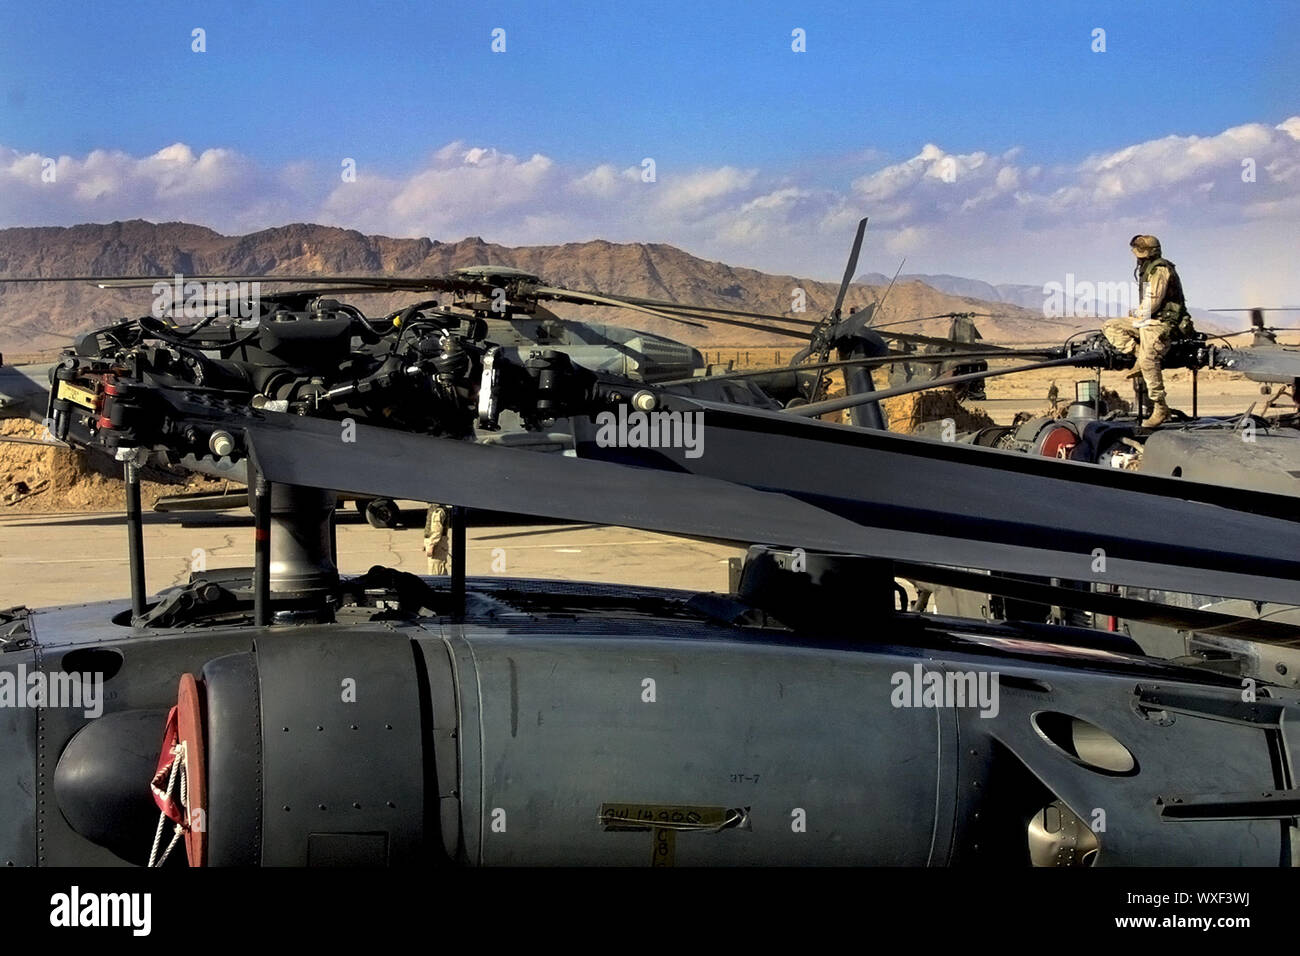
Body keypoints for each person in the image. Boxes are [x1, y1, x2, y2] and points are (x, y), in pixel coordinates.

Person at [1101, 235, 1194, 427]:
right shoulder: (1147, 269)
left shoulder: (1160, 269)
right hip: (1149, 320)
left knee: (1149, 359)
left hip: (1164, 323)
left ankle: (1160, 407)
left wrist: (1137, 316)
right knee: (1111, 326)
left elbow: (1153, 302)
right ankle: (1138, 355)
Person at [424, 503, 452, 575]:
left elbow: (436, 530)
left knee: (436, 572)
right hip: (438, 544)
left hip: (437, 546)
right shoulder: (436, 509)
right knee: (438, 570)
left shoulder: (438, 511)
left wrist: (431, 545)